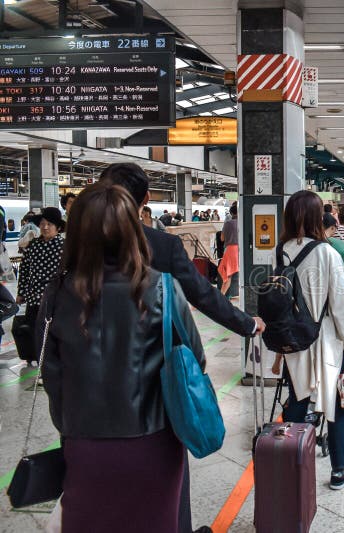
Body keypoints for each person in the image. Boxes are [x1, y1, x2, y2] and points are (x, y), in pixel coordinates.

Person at [100, 163, 264, 533]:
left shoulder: (77, 250)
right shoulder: (160, 246)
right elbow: (204, 298)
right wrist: (247, 324)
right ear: (144, 201)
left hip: (90, 402)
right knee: (168, 487)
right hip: (154, 392)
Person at [40, 182, 203, 532]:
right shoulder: (161, 288)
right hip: (155, 442)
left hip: (85, 443)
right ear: (133, 229)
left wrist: (71, 427)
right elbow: (194, 361)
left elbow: (51, 375)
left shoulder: (57, 293)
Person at [276, 190, 344, 489]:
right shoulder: (328, 253)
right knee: (336, 403)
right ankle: (339, 470)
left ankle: (289, 466)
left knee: (298, 402)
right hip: (326, 338)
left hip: (295, 339)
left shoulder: (282, 250)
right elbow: (339, 308)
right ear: (318, 217)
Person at [15, 207, 65, 365]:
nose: (44, 227)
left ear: (58, 227)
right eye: (42, 223)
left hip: (55, 298)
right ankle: (34, 355)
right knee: (33, 328)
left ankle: (52, 357)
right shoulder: (33, 246)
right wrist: (21, 292)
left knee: (52, 330)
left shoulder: (64, 247)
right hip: (33, 296)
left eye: (49, 224)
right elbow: (24, 270)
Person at [218, 202, 239, 297]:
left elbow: (222, 238)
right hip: (240, 250)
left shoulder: (227, 223)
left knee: (227, 275)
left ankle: (221, 297)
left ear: (231, 213)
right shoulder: (243, 223)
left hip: (230, 250)